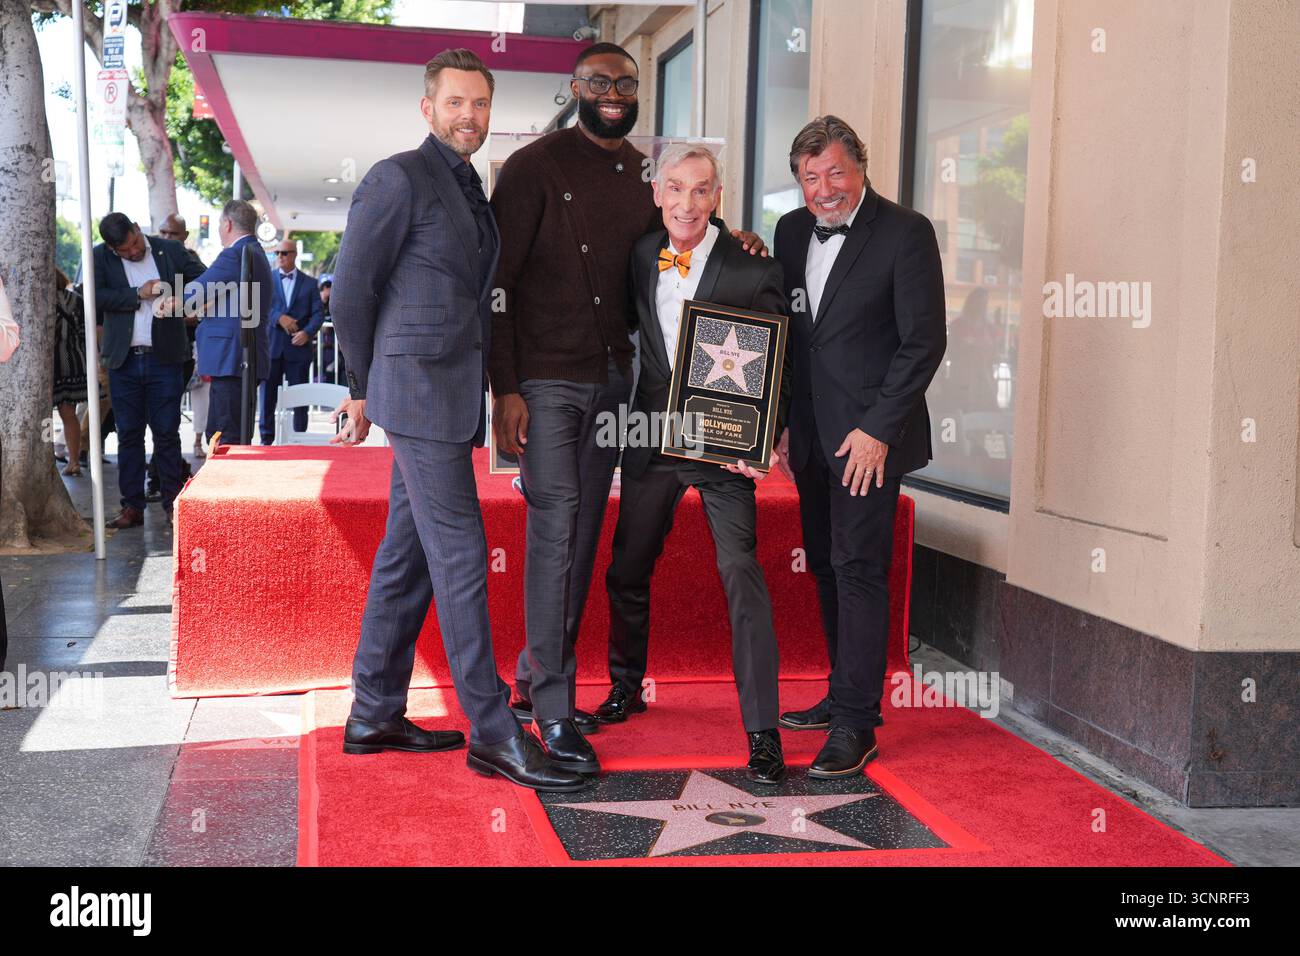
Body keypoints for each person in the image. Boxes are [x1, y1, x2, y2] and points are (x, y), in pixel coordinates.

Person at [488, 42, 765, 774]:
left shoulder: (646, 172)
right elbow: (497, 286)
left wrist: (734, 240)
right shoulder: (532, 168)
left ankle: (533, 681)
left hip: (615, 383)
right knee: (555, 532)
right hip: (547, 383)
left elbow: (684, 224)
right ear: (575, 88)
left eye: (625, 83)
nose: (614, 92)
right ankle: (551, 711)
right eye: (600, 82)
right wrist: (505, 389)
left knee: (578, 539)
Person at [329, 48, 584, 793]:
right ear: (428, 107)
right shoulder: (398, 177)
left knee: (406, 558)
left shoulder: (471, 185)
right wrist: (362, 384)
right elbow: (351, 290)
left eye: (479, 104)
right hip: (413, 393)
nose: (468, 115)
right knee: (464, 558)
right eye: (455, 103)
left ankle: (374, 709)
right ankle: (494, 733)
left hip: (448, 396)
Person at [603, 144, 792, 783]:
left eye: (702, 190)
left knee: (741, 572)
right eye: (676, 188)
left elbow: (777, 365)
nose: (688, 202)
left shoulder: (752, 266)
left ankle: (763, 732)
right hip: (653, 433)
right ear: (657, 192)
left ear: (718, 197)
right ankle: (626, 686)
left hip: (723, 446)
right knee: (628, 565)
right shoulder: (636, 255)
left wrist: (761, 437)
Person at [772, 116, 947, 777]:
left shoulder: (906, 232)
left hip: (870, 437)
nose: (824, 189)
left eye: (836, 173)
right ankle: (846, 691)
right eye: (810, 178)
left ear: (862, 168)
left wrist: (878, 429)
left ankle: (856, 724)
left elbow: (923, 341)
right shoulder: (790, 233)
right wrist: (783, 421)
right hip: (812, 436)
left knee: (858, 569)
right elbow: (791, 331)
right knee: (825, 563)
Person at [92, 213, 204, 527]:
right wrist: (137, 294)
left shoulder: (168, 250)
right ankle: (132, 507)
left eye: (134, 244)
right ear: (112, 249)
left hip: (165, 358)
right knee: (128, 435)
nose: (132, 252)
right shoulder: (100, 257)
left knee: (166, 433)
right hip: (123, 359)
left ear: (138, 230)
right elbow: (94, 297)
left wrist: (178, 298)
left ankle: (172, 504)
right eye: (124, 251)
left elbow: (203, 278)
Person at [180, 200, 272, 445]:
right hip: (242, 356)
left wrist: (169, 301)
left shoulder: (235, 253)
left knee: (224, 438)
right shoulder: (254, 251)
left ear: (228, 223)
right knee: (233, 434)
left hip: (232, 358)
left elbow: (195, 293)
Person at [260, 240, 323, 443]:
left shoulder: (311, 283)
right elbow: (260, 307)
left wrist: (307, 332)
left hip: (299, 349)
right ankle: (266, 439)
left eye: (285, 253)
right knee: (267, 397)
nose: (280, 256)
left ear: (295, 254)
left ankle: (300, 438)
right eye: (278, 253)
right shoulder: (267, 280)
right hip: (272, 348)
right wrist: (278, 317)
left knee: (300, 398)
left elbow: (318, 314)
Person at [158, 213, 209, 456]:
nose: (167, 238)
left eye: (173, 234)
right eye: (163, 233)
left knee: (168, 416)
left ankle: (165, 471)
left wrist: (186, 313)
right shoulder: (150, 258)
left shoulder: (191, 262)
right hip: (149, 348)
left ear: (185, 236)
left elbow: (211, 294)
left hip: (184, 348)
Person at [52, 267, 88, 476]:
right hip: (74, 362)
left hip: (52, 365)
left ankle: (47, 457)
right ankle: (73, 460)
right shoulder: (76, 300)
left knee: (43, 417)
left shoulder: (41, 300)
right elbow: (84, 332)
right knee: (69, 415)